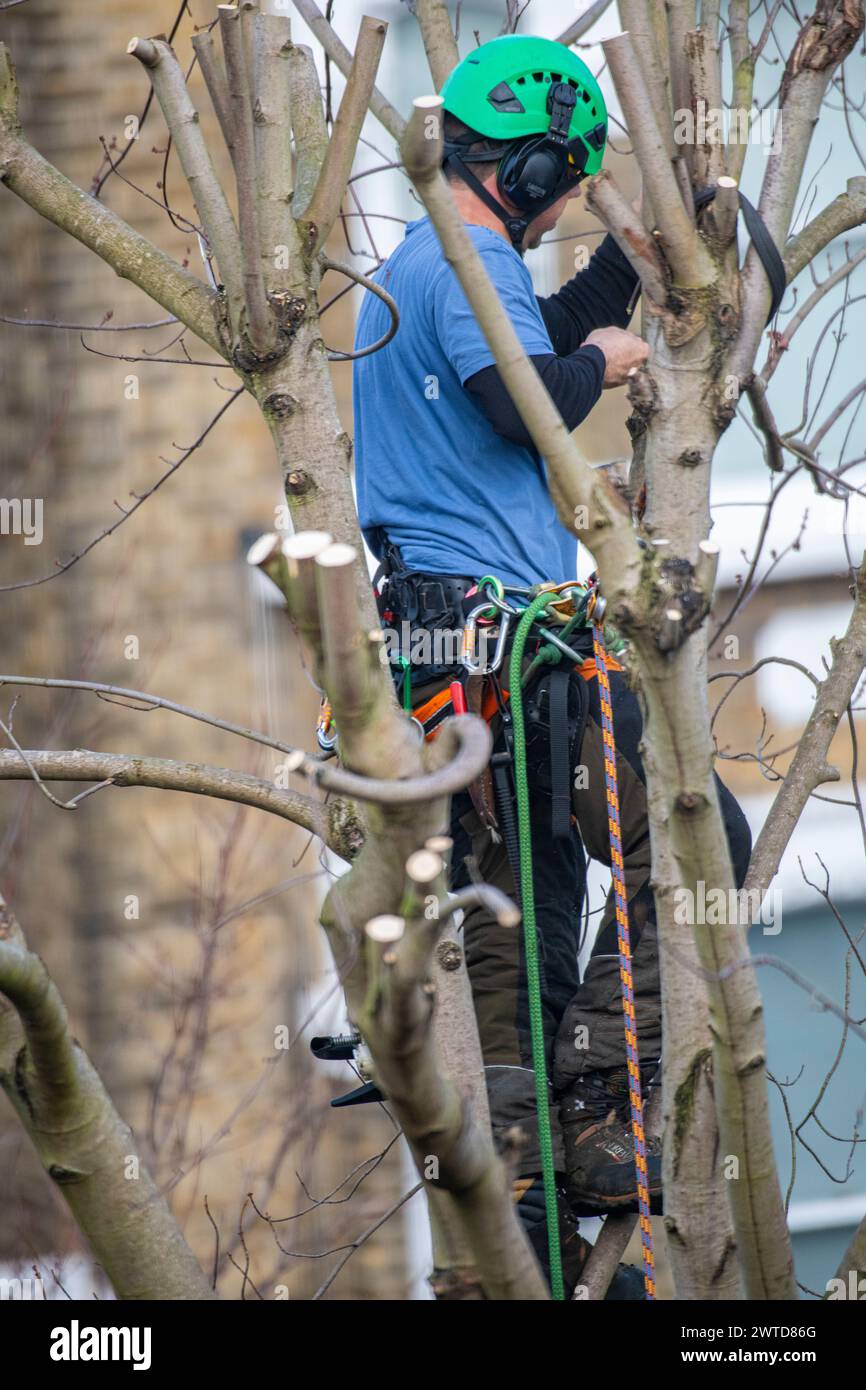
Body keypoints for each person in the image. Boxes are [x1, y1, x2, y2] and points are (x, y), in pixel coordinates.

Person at [352, 33, 751, 1294]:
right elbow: (517, 399)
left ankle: (559, 1159)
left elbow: (523, 339)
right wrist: (606, 365)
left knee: (531, 909)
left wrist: (626, 278)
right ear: (523, 165)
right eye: (567, 177)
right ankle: (573, 1133)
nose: (571, 196)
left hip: (459, 643)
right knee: (677, 841)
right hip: (496, 637)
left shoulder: (439, 261)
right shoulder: (465, 261)